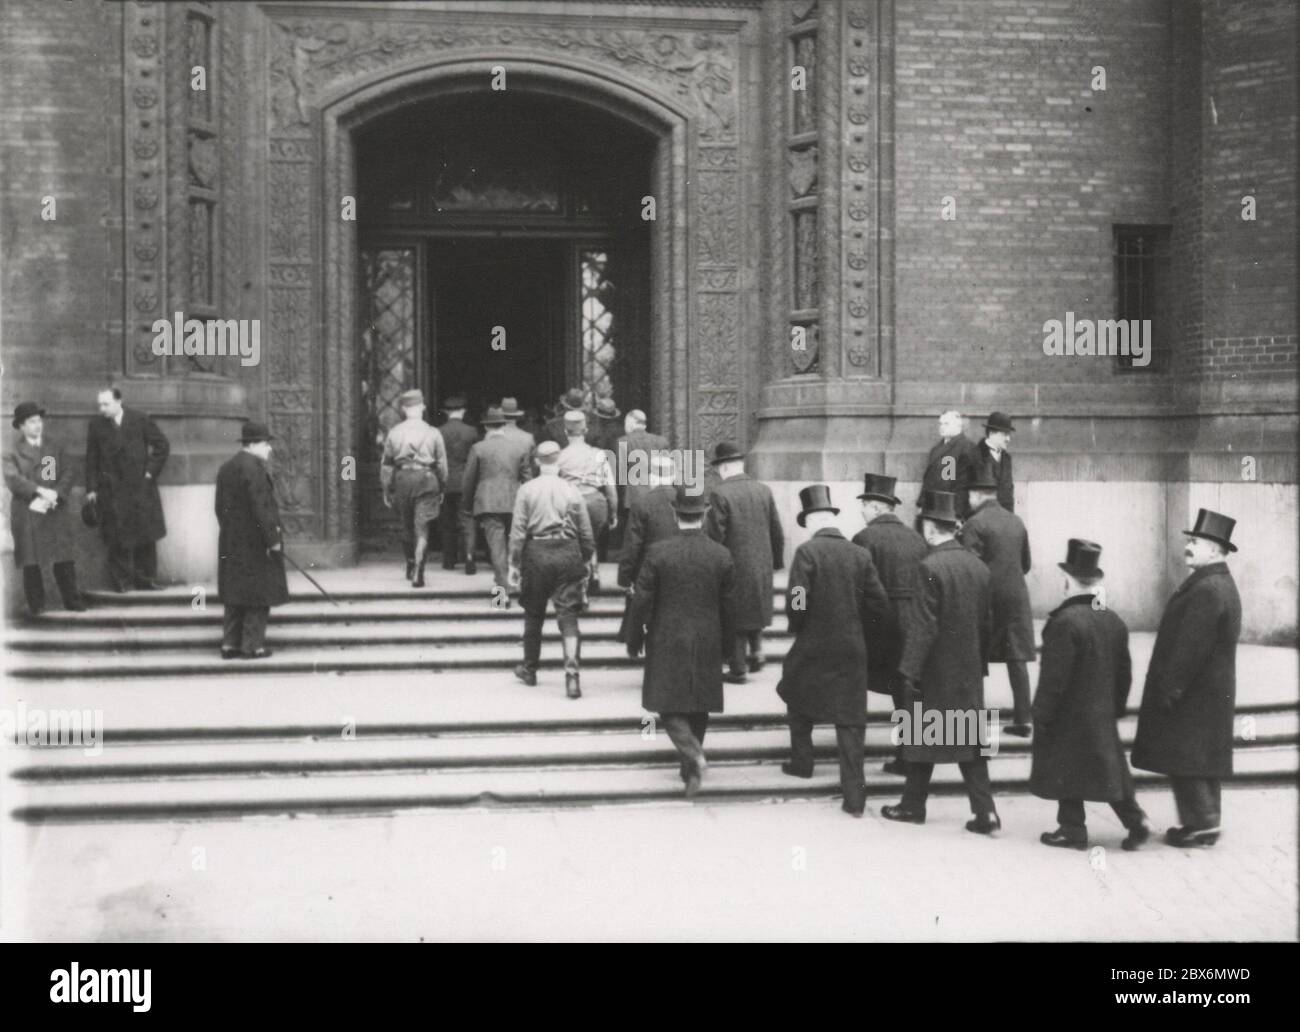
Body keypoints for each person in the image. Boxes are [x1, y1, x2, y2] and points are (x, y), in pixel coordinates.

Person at [883, 490, 1000, 834]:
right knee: (972, 744)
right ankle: (986, 812)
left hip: (933, 671)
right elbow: (987, 622)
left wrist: (909, 670)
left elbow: (923, 625)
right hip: (967, 671)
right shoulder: (979, 567)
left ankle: (912, 806)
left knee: (920, 736)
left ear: (931, 529)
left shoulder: (929, 567)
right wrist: (979, 664)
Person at [777, 485, 892, 817]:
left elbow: (798, 597)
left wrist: (798, 623)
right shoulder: (859, 554)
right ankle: (854, 797)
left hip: (814, 643)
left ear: (812, 520)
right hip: (852, 646)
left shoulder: (807, 552)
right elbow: (879, 605)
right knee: (851, 720)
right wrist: (862, 632)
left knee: (795, 695)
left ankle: (802, 762)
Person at [1031, 539, 1151, 850]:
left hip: (1069, 714)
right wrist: (1117, 707)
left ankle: (1071, 829)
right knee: (1110, 769)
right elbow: (1125, 671)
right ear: (1096, 581)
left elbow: (1053, 678)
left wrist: (1041, 713)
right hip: (1101, 712)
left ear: (1067, 581)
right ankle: (1135, 819)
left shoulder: (1064, 622)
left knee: (1065, 766)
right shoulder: (1113, 620)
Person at [1132, 509, 1241, 849]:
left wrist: (1171, 687)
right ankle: (1202, 822)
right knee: (1198, 758)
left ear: (1215, 550)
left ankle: (1202, 825)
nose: (1189, 546)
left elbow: (1190, 647)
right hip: (1206, 693)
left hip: (1193, 693)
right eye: (1190, 540)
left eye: (1197, 542)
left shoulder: (1207, 589)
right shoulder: (1217, 583)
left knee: (1189, 757)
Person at [628, 484, 736, 797]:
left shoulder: (658, 552)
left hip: (666, 638)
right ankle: (689, 772)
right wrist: (729, 648)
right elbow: (730, 606)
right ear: (703, 516)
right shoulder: (721, 554)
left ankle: (695, 758)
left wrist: (634, 639)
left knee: (665, 703)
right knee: (698, 704)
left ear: (676, 515)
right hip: (708, 638)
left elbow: (642, 601)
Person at [851, 472, 927, 774]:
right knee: (907, 691)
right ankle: (910, 755)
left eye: (864, 505)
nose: (862, 511)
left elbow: (859, 587)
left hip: (879, 624)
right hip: (915, 622)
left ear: (875, 507)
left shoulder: (864, 538)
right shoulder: (917, 538)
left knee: (868, 683)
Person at [508, 440, 594, 697]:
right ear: (559, 462)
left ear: (537, 462)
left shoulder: (526, 490)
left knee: (534, 614)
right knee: (568, 616)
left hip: (537, 553)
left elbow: (518, 532)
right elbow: (586, 533)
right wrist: (585, 558)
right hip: (567, 553)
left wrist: (514, 563)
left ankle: (530, 669)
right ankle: (572, 676)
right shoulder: (573, 490)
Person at [960, 465, 1035, 736]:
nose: (968, 500)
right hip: (1016, 597)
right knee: (1017, 659)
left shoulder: (974, 524)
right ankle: (1024, 719)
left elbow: (970, 567)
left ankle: (976, 723)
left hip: (986, 599)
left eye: (970, 495)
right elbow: (1026, 563)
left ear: (978, 495)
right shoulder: (1015, 521)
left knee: (975, 657)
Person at [705, 441, 784, 683]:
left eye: (719, 468)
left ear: (726, 467)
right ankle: (757, 653)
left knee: (735, 614)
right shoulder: (763, 490)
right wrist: (775, 562)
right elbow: (776, 530)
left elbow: (716, 534)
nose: (719, 473)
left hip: (733, 564)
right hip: (761, 562)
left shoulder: (720, 493)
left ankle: (738, 668)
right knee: (754, 607)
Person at [84, 386, 169, 591]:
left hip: (139, 487)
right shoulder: (96, 425)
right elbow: (91, 459)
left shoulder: (139, 419)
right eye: (100, 405)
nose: (102, 409)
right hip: (111, 490)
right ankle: (121, 582)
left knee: (145, 534)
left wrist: (150, 472)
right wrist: (91, 489)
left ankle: (146, 579)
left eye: (106, 404)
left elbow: (162, 445)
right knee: (116, 536)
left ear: (119, 401)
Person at [215, 421, 288, 660]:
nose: (269, 449)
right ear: (255, 444)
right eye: (266, 443)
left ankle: (229, 644)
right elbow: (262, 509)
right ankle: (252, 646)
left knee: (235, 594)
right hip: (257, 544)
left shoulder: (227, 468)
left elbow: (219, 508)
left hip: (231, 541)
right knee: (258, 595)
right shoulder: (255, 469)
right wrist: (273, 540)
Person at [3, 402, 85, 615]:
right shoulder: (12, 452)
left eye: (39, 421)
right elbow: (13, 479)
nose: (37, 425)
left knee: (63, 556)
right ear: (21, 426)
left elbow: (68, 471)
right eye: (31, 422)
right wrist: (39, 490)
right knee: (31, 560)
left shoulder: (53, 447)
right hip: (27, 511)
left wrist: (57, 493)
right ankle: (37, 605)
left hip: (54, 509)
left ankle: (72, 600)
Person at [461, 406, 533, 601]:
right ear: (503, 425)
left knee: (496, 549)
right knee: (515, 545)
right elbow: (528, 480)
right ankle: (516, 586)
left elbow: (468, 481)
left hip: (488, 503)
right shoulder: (519, 448)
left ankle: (501, 597)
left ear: (486, 428)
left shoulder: (478, 448)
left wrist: (467, 506)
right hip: (515, 502)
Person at [380, 389, 448, 588]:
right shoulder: (433, 433)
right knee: (422, 527)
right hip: (427, 480)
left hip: (403, 479)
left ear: (403, 409)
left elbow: (386, 465)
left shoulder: (394, 433)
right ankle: (420, 568)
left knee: (406, 525)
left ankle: (410, 564)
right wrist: (442, 487)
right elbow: (442, 465)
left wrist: (386, 489)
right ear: (422, 408)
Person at [556, 409, 618, 594]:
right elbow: (610, 487)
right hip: (596, 502)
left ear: (566, 432)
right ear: (585, 431)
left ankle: (581, 580)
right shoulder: (598, 454)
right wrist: (613, 512)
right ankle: (594, 570)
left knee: (575, 541)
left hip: (571, 503)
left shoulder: (560, 456)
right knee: (591, 539)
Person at [437, 395, 479, 572]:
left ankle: (449, 560)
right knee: (467, 520)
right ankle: (469, 557)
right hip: (466, 481)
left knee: (447, 522)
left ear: (447, 412)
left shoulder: (439, 431)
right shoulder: (472, 432)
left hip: (445, 481)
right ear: (463, 411)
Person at [917, 409, 978, 526]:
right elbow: (929, 479)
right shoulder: (936, 449)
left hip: (949, 511)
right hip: (931, 508)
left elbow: (962, 485)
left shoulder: (966, 448)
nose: (942, 427)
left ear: (958, 426)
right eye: (940, 424)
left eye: (946, 424)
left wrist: (958, 514)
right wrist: (921, 503)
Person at [615, 408, 670, 519]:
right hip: (656, 496)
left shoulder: (622, 441)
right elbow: (667, 473)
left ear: (630, 423)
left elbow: (619, 475)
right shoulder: (662, 441)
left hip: (632, 500)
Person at [976, 411, 1017, 513]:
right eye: (1005, 434)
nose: (1008, 439)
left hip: (1004, 520)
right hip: (983, 520)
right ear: (992, 433)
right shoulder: (974, 456)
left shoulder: (1007, 459)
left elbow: (1008, 493)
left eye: (1009, 434)